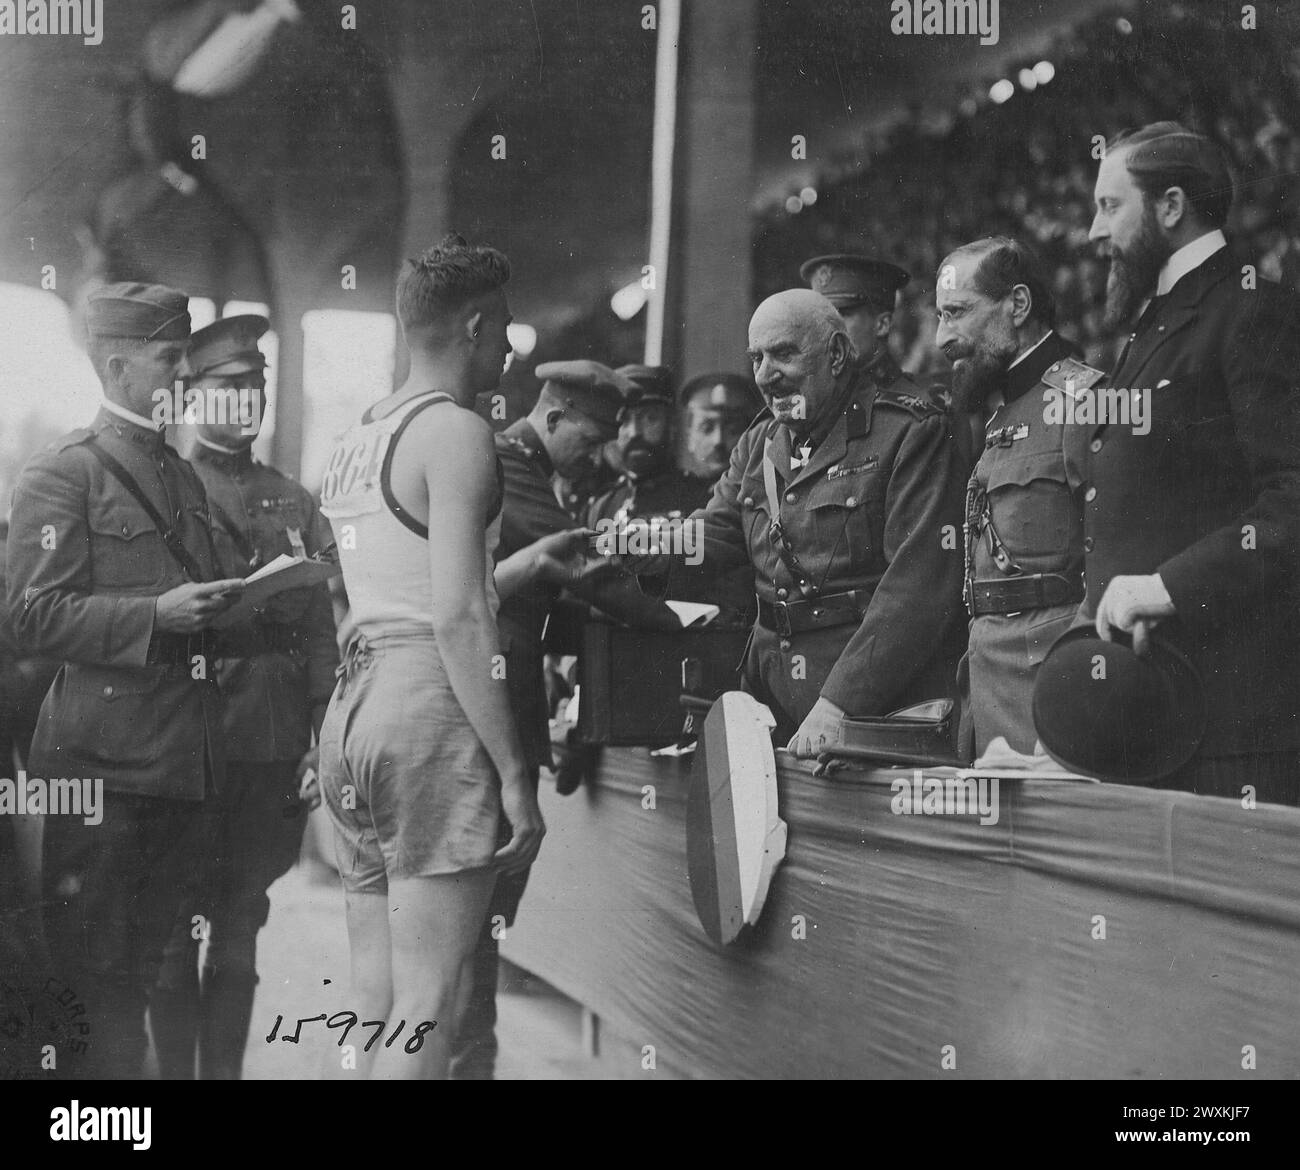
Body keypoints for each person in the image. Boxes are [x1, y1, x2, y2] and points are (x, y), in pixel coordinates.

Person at [316, 235, 545, 1080]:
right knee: (431, 1003)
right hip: (425, 705)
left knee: (375, 999)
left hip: (354, 705)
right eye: (506, 330)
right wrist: (515, 773)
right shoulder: (454, 432)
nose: (509, 348)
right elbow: (457, 614)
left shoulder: (357, 436)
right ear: (477, 325)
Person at [5, 282, 246, 1079]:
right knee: (95, 982)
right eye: (171, 357)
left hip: (179, 768)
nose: (185, 372)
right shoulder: (64, 472)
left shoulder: (182, 478)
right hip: (103, 770)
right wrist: (156, 616)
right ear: (117, 364)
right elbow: (30, 617)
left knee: (138, 975)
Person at [451, 359, 679, 1080]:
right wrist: (675, 622)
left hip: (491, 714)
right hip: (484, 728)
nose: (603, 453)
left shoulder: (525, 467)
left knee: (473, 935)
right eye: (592, 436)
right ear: (550, 418)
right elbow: (587, 575)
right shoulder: (510, 467)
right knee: (471, 937)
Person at [644, 288, 967, 756]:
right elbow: (714, 533)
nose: (765, 375)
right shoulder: (761, 443)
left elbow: (915, 590)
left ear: (836, 354)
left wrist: (840, 703)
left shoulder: (908, 434)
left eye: (783, 355)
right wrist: (626, 547)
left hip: (872, 712)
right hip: (773, 703)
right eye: (756, 358)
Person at [1083, 122, 1300, 803]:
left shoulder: (1251, 311)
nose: (1093, 232)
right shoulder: (1156, 324)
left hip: (1232, 726)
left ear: (1171, 207)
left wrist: (1166, 587)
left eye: (1109, 206)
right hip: (1156, 709)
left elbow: (1290, 497)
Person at [149, 314, 339, 1079]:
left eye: (256, 387)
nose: (246, 403)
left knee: (238, 932)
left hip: (265, 741)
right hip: (179, 743)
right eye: (229, 391)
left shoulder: (294, 500)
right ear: (192, 397)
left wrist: (320, 733)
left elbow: (322, 635)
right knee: (167, 939)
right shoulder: (160, 489)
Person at [935, 237, 1101, 758]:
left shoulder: (1084, 401)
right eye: (940, 317)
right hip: (989, 683)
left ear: (1019, 305)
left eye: (958, 313)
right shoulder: (994, 408)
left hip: (1053, 692)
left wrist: (1073, 692)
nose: (943, 337)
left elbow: (1113, 564)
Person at [588, 369, 758, 626]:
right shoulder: (602, 505)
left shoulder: (707, 498)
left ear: (673, 427)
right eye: (624, 421)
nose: (635, 432)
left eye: (650, 419)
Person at [802, 251, 977, 466]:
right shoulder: (811, 409)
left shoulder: (930, 408)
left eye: (841, 315)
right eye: (818, 318)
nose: (825, 329)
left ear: (882, 324)